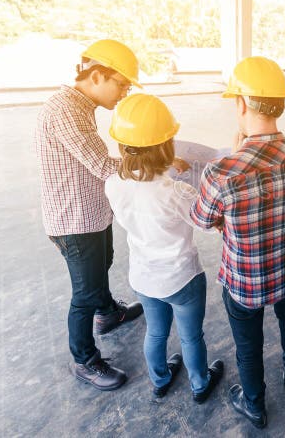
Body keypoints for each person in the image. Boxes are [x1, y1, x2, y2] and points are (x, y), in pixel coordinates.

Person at [191, 56, 285, 428]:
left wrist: (234, 160)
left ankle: (255, 404)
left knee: (248, 347)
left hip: (245, 281)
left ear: (241, 104)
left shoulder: (224, 171)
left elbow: (202, 219)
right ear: (280, 104)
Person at [36, 39, 144, 391]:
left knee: (104, 262)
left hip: (91, 211)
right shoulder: (65, 111)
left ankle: (108, 312)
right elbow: (102, 164)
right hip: (74, 220)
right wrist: (153, 162)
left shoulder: (79, 106)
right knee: (83, 292)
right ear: (97, 76)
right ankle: (84, 360)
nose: (124, 94)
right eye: (122, 84)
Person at [104, 94, 224, 401]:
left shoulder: (112, 183)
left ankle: (160, 380)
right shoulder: (178, 191)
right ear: (167, 146)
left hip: (143, 278)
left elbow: (146, 187)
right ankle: (199, 384)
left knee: (155, 332)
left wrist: (168, 168)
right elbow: (206, 222)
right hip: (181, 278)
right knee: (191, 336)